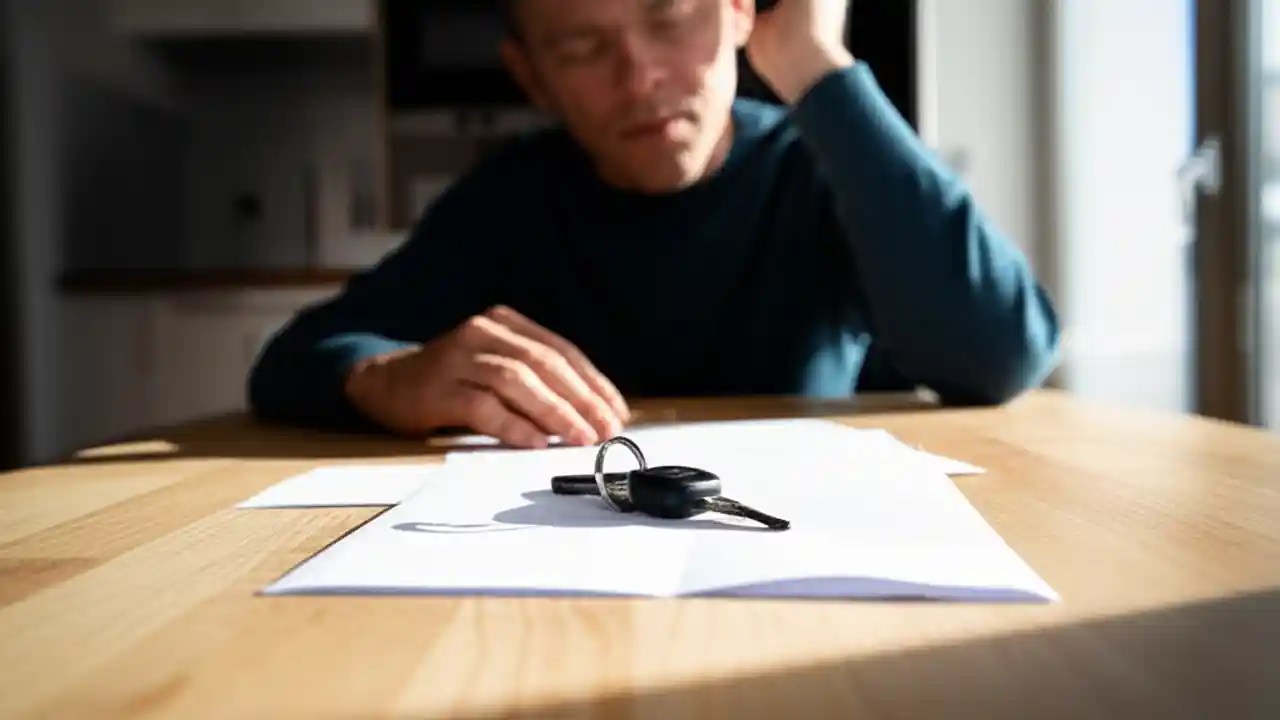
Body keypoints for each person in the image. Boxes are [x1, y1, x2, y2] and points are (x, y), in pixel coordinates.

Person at [248, 0, 1060, 448]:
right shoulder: (508, 200)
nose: (639, 78)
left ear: (740, 11)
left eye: (672, 16)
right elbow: (294, 360)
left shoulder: (826, 167)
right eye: (579, 47)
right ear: (530, 77)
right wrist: (390, 377)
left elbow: (998, 355)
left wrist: (816, 65)